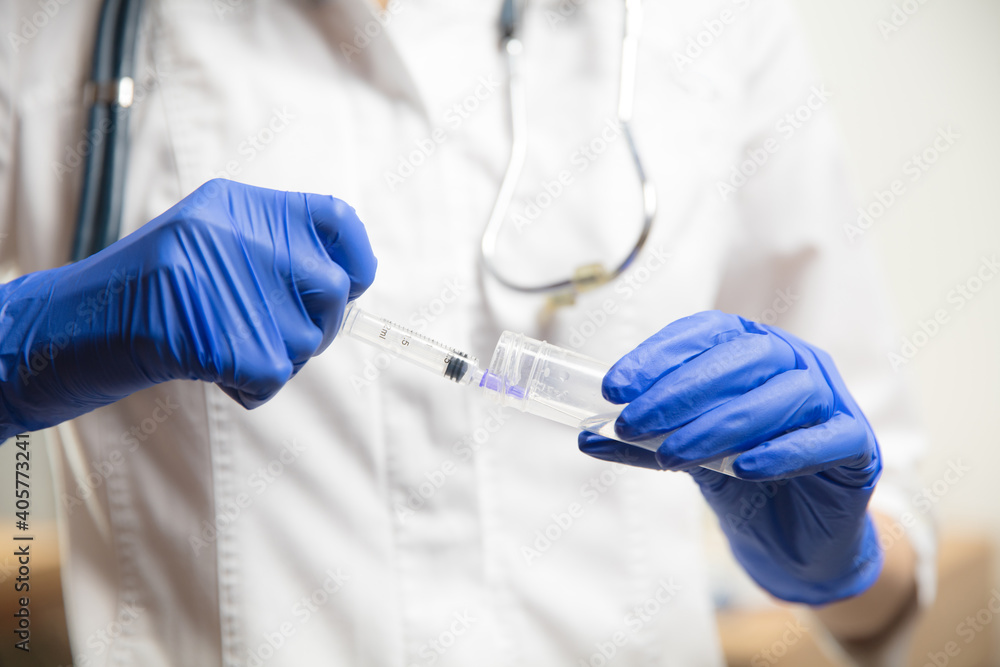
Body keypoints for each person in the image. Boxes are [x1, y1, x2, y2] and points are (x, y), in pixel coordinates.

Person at [0, 0, 934, 665]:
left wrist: (840, 560)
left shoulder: (706, 21)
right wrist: (32, 340)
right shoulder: (36, 27)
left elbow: (888, 567)